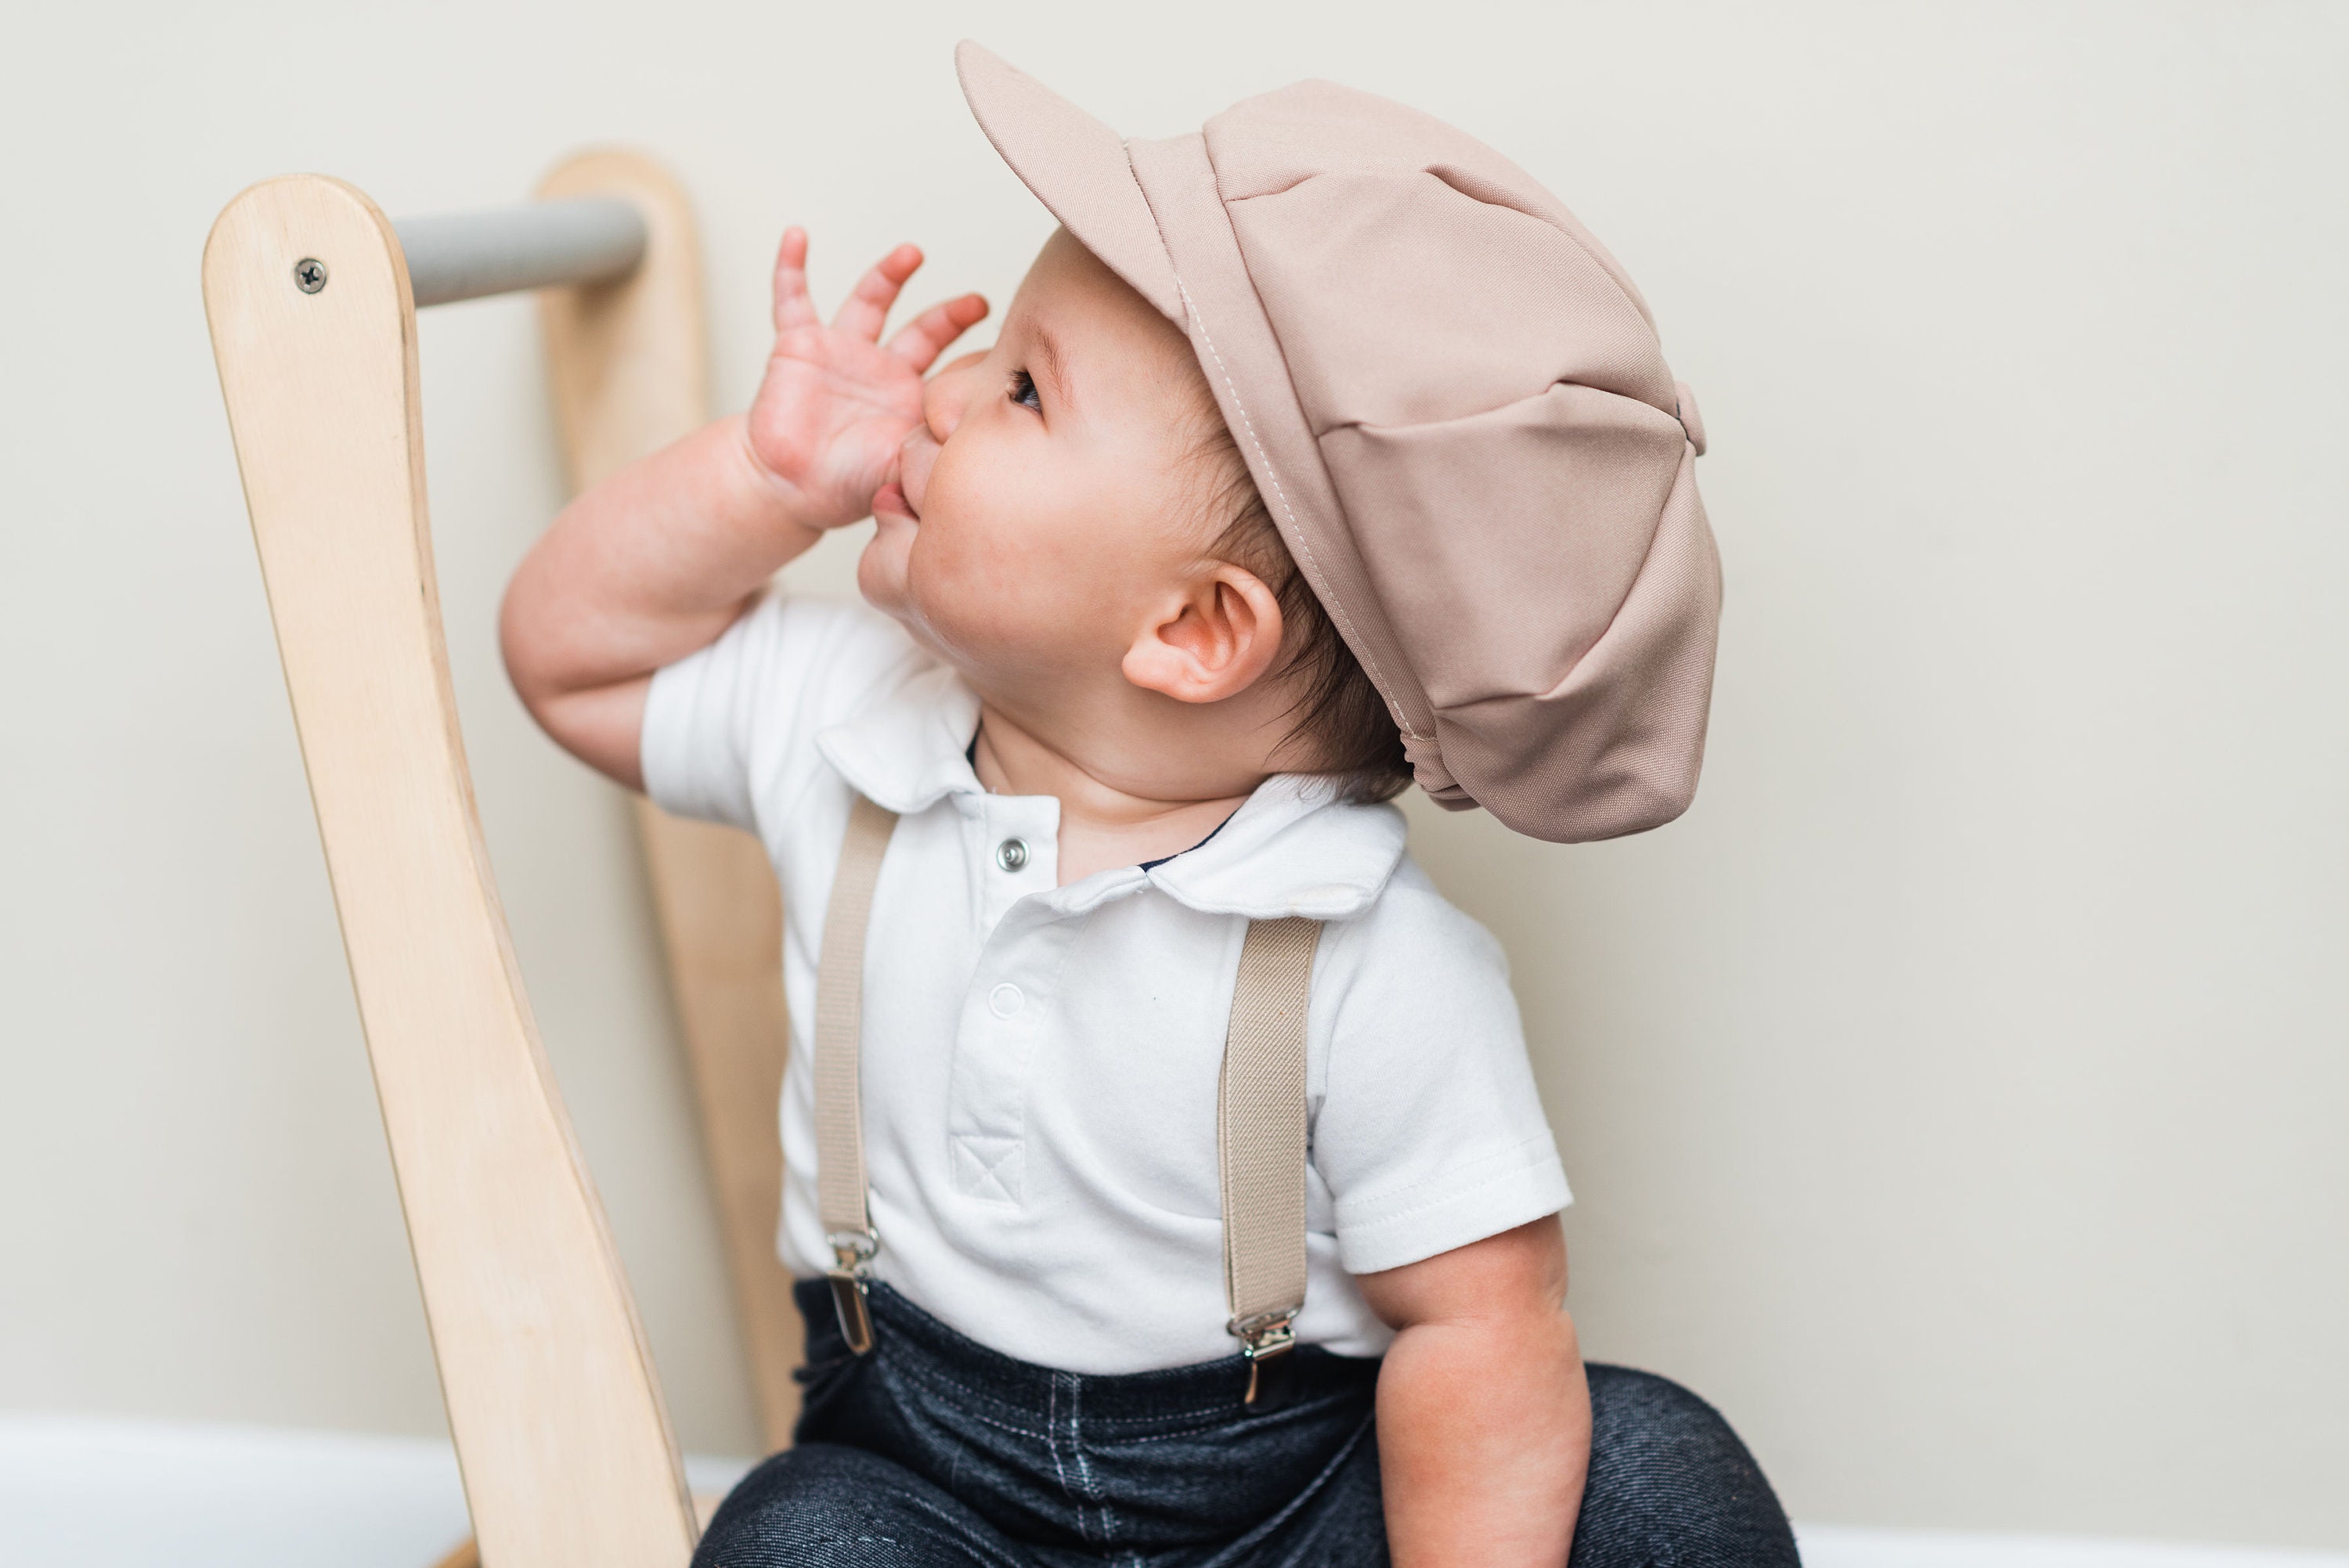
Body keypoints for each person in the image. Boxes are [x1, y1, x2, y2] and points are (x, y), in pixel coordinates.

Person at [501, 41, 1795, 1568]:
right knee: (797, 1545)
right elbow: (572, 662)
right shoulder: (840, 718)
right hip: (929, 1488)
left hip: (1290, 1499)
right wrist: (770, 480)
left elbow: (1480, 1333)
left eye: (1029, 388)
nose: (953, 382)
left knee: (1654, 1473)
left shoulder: (1371, 959)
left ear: (1189, 632)